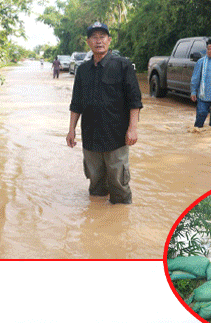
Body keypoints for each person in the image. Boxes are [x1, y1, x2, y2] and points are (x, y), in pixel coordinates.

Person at [67, 22, 142, 205]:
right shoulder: (82, 70)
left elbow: (135, 101)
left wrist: (133, 129)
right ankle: (96, 220)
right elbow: (76, 103)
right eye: (94, 37)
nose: (98, 41)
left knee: (119, 187)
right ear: (88, 42)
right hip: (90, 137)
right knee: (96, 187)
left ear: (109, 40)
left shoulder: (123, 66)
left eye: (102, 37)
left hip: (116, 137)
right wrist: (71, 130)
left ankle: (121, 219)